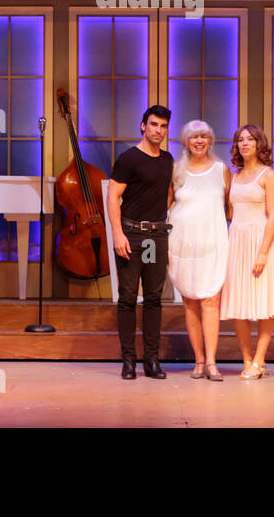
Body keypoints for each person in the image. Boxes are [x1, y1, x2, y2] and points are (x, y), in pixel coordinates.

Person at [107, 105, 174, 380]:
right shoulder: (128, 159)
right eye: (154, 124)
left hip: (155, 237)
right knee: (127, 298)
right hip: (131, 235)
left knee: (154, 299)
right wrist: (117, 234)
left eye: (163, 126)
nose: (158, 130)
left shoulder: (168, 159)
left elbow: (168, 194)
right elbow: (113, 197)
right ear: (143, 126)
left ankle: (152, 361)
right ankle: (128, 361)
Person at [219, 123, 274, 379]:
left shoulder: (268, 175)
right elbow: (229, 212)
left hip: (262, 241)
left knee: (263, 302)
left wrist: (262, 252)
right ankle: (247, 359)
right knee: (239, 303)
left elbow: (273, 216)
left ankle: (260, 360)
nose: (245, 143)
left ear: (260, 144)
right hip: (236, 241)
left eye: (250, 139)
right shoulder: (233, 176)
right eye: (240, 140)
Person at [167, 120, 230, 381]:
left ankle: (212, 362)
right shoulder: (176, 170)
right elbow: (167, 204)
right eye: (194, 137)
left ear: (211, 141)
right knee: (190, 302)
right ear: (186, 141)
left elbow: (230, 207)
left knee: (211, 300)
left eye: (204, 136)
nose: (199, 141)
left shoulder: (221, 170)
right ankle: (199, 360)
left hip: (213, 243)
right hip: (182, 244)